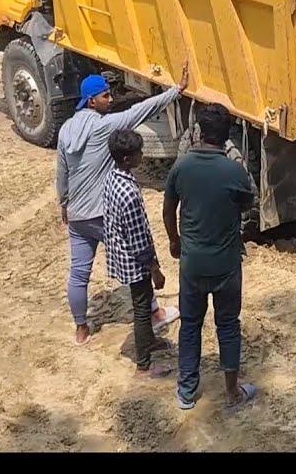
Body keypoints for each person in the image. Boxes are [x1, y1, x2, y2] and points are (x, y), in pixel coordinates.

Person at [57, 63, 188, 345]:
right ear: (91, 100)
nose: (111, 99)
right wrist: (176, 91)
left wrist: (64, 202)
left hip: (78, 215)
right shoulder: (105, 127)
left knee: (79, 273)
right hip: (103, 214)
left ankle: (81, 329)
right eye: (105, 96)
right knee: (137, 265)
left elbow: (62, 171)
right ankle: (153, 313)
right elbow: (141, 111)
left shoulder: (66, 130)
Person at [164, 103, 258, 411]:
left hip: (192, 264)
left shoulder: (182, 167)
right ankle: (232, 393)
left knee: (190, 325)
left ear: (200, 133)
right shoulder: (234, 171)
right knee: (228, 325)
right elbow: (247, 205)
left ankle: (187, 392)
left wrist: (175, 241)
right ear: (226, 135)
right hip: (227, 265)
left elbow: (168, 209)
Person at [103, 129, 174, 378]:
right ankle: (143, 365)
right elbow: (138, 239)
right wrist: (155, 269)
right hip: (134, 261)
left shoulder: (113, 178)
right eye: (138, 153)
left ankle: (150, 341)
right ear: (126, 159)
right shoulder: (129, 194)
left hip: (121, 254)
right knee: (142, 307)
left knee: (143, 302)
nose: (141, 156)